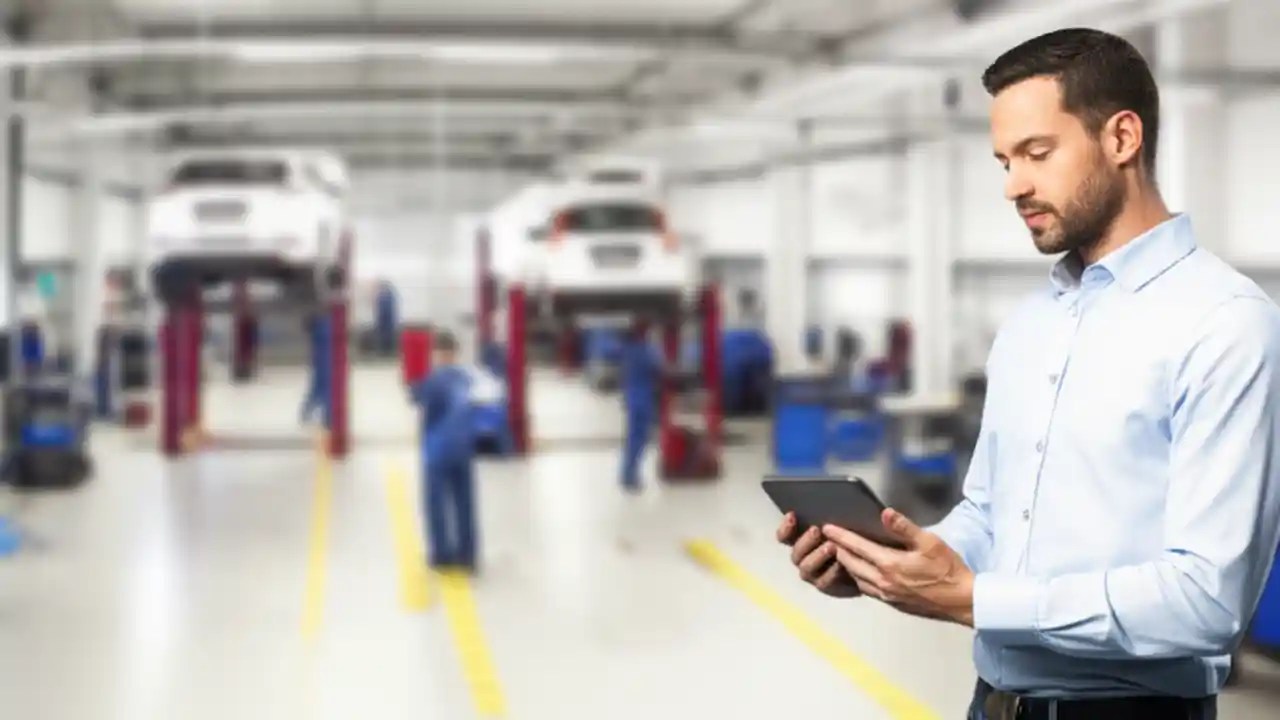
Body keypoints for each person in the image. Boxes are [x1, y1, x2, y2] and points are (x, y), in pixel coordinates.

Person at [777, 27, 1280, 720]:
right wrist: (888, 564)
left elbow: (1205, 601)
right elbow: (990, 514)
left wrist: (973, 598)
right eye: (1003, 161)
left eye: (1036, 153)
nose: (1014, 185)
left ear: (1122, 138)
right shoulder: (1030, 324)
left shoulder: (1226, 324)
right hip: (994, 704)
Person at [412, 330, 478, 571]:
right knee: (465, 502)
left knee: (436, 502)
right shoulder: (466, 378)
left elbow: (422, 406)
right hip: (464, 448)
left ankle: (442, 554)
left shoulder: (434, 381)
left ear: (439, 353)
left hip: (438, 450)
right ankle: (468, 554)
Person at [619, 317, 663, 492]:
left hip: (632, 397)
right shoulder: (645, 350)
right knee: (639, 439)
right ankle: (631, 476)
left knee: (632, 438)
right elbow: (659, 369)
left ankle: (627, 475)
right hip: (643, 399)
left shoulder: (628, 350)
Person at [299, 313, 329, 426]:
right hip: (325, 365)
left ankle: (307, 413)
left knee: (317, 392)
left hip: (321, 365)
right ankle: (326, 416)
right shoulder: (325, 329)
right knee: (323, 392)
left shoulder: (319, 332)